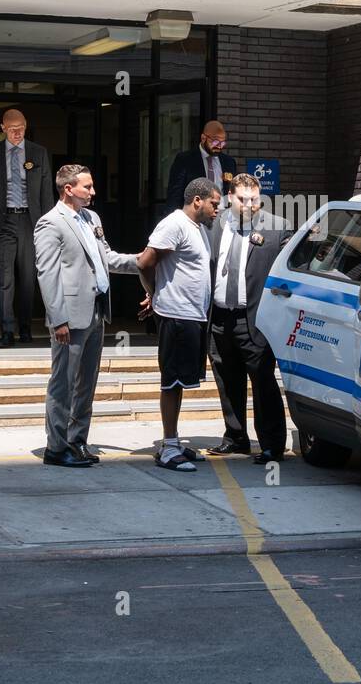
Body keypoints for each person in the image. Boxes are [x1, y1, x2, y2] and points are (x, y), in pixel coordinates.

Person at [33, 165, 143, 468]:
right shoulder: (50, 223)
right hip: (69, 315)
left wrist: (141, 261)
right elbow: (47, 274)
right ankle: (56, 448)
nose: (94, 192)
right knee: (63, 383)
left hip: (96, 310)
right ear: (69, 189)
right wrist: (58, 320)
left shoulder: (92, 218)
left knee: (86, 383)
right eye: (88, 187)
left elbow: (105, 257)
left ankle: (77, 441)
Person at [205, 174, 292, 463]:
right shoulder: (214, 225)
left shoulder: (277, 228)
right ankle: (236, 437)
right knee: (227, 381)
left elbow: (288, 275)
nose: (249, 205)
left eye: (254, 199)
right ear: (230, 197)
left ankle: (271, 444)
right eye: (243, 199)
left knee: (263, 383)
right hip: (219, 317)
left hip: (254, 319)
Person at [137, 178, 222, 471]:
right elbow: (145, 262)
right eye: (214, 204)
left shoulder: (197, 229)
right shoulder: (173, 224)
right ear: (197, 200)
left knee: (181, 381)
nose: (216, 210)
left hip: (193, 316)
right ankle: (169, 448)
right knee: (171, 382)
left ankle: (173, 441)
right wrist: (153, 293)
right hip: (176, 315)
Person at [0, 108, 55, 347]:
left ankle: (26, 327)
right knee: (4, 279)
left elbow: (47, 195)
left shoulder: (38, 153)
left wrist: (50, 229)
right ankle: (7, 330)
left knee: (29, 279)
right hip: (4, 222)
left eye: (21, 128)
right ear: (3, 129)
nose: (17, 133)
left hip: (32, 222)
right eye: (12, 129)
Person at [166, 120, 235, 210]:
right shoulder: (185, 160)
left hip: (221, 218)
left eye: (222, 143)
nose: (219, 146)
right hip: (194, 218)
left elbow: (231, 192)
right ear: (203, 138)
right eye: (215, 142)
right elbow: (174, 196)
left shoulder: (229, 162)